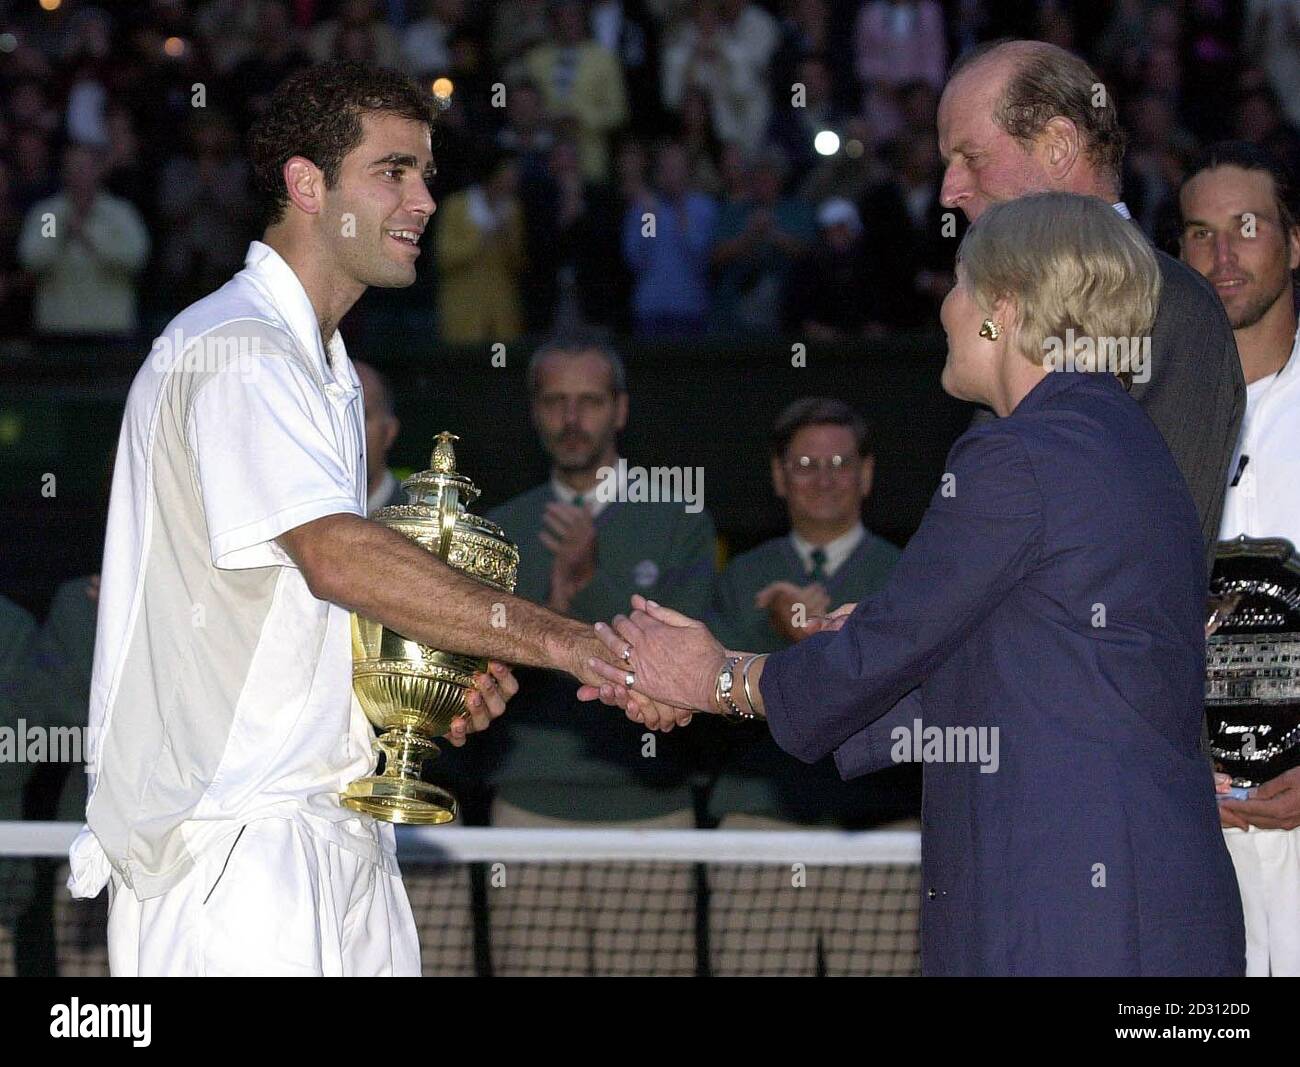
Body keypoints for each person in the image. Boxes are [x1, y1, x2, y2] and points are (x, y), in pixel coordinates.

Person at [583, 193, 1246, 977]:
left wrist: (718, 677)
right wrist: (867, 640)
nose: (946, 307)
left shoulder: (1018, 454)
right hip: (1152, 908)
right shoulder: (1132, 447)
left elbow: (887, 650)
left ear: (1004, 306)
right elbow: (1028, 666)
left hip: (1063, 915)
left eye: (961, 285)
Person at [67, 61, 624, 978]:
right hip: (235, 860)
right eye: (394, 171)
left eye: (428, 174)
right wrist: (566, 642)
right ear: (306, 184)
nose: (426, 200)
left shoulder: (320, 370)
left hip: (332, 835)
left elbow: (310, 614)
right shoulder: (240, 347)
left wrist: (434, 678)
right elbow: (336, 557)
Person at [935, 39, 1244, 577]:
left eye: (972, 158)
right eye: (947, 162)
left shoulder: (1172, 306)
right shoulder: (1008, 306)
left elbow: (1146, 562)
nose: (949, 190)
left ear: (1057, 146)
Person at [481, 333, 716, 975]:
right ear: (535, 411)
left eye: (589, 401)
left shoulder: (678, 515)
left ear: (619, 409)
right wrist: (555, 594)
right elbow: (481, 669)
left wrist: (590, 583)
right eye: (556, 402)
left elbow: (687, 661)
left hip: (649, 811)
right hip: (529, 808)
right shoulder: (500, 527)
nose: (572, 419)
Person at [705, 397, 911, 975]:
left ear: (866, 474)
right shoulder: (742, 576)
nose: (825, 480)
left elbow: (906, 697)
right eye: (805, 465)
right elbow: (707, 703)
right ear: (777, 475)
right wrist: (770, 629)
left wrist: (819, 642)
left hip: (878, 833)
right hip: (759, 826)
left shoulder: (907, 576)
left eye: (841, 463)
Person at [1179, 142, 1300, 976]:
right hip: (1191, 834)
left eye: (1246, 227)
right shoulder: (1138, 429)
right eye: (1198, 234)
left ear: (1295, 243)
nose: (1222, 255)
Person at [16, 142, 150, 338]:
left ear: (99, 170)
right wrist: (62, 232)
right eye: (72, 168)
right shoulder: (50, 216)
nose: (79, 174)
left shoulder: (119, 213)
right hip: (57, 329)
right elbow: (34, 258)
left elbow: (135, 258)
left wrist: (89, 238)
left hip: (110, 329)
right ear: (64, 172)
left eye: (85, 168)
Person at [353, 361, 405, 515]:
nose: (347, 432)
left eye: (361, 416)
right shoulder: (294, 517)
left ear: (389, 432)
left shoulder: (428, 519)